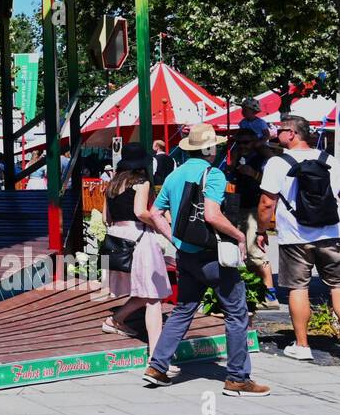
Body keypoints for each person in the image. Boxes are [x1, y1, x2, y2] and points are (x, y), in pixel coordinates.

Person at [143, 123, 269, 396]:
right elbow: (212, 215)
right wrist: (238, 235)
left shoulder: (175, 175)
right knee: (236, 313)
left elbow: (154, 212)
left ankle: (158, 365)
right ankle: (237, 378)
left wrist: (174, 238)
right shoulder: (213, 175)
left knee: (183, 310)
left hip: (186, 255)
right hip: (212, 256)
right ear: (210, 149)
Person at [257, 114, 340, 365]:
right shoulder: (329, 160)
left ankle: (302, 345)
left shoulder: (277, 163)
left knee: (299, 288)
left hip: (294, 238)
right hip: (331, 234)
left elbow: (267, 203)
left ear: (293, 133)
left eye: (281, 129)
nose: (277, 133)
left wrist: (261, 231)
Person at [101, 142, 172, 362]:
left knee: (146, 292)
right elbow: (140, 212)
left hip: (118, 237)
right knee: (153, 297)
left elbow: (106, 219)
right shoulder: (142, 183)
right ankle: (157, 357)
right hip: (140, 240)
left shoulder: (111, 185)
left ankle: (115, 320)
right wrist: (159, 222)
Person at [223, 127, 280, 309]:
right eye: (238, 142)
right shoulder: (238, 158)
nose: (242, 146)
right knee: (242, 253)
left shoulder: (263, 159)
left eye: (246, 142)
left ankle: (270, 294)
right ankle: (253, 291)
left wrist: (253, 174)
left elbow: (274, 183)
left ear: (254, 142)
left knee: (256, 251)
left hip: (255, 208)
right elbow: (230, 177)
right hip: (238, 207)